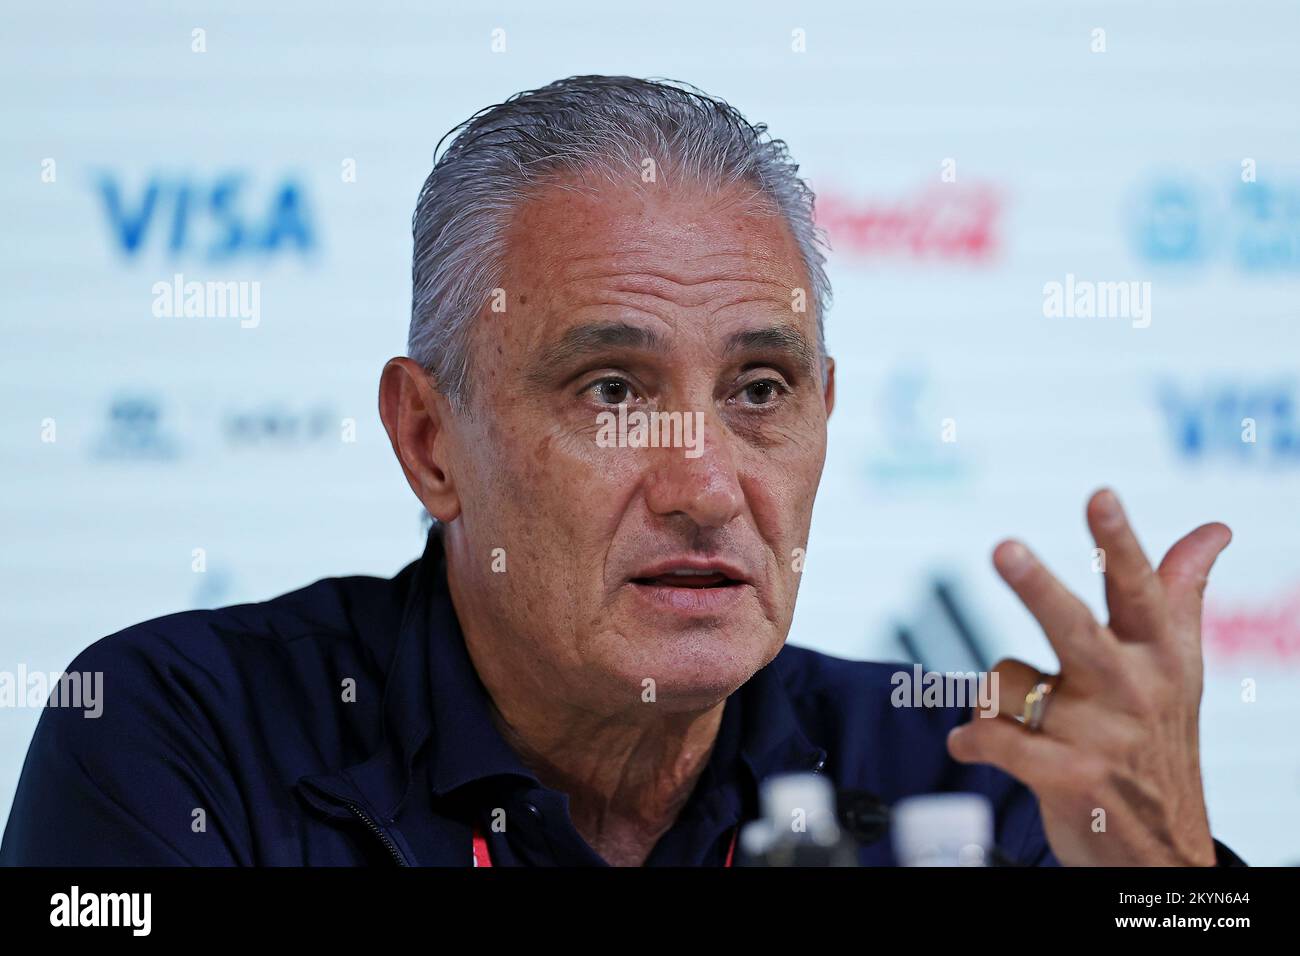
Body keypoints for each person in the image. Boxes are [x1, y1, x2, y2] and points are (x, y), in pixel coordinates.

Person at [0, 75, 1243, 866]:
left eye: (760, 391)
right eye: (611, 391)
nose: (703, 482)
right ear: (430, 442)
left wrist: (1169, 879)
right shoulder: (184, 739)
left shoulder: (965, 768)